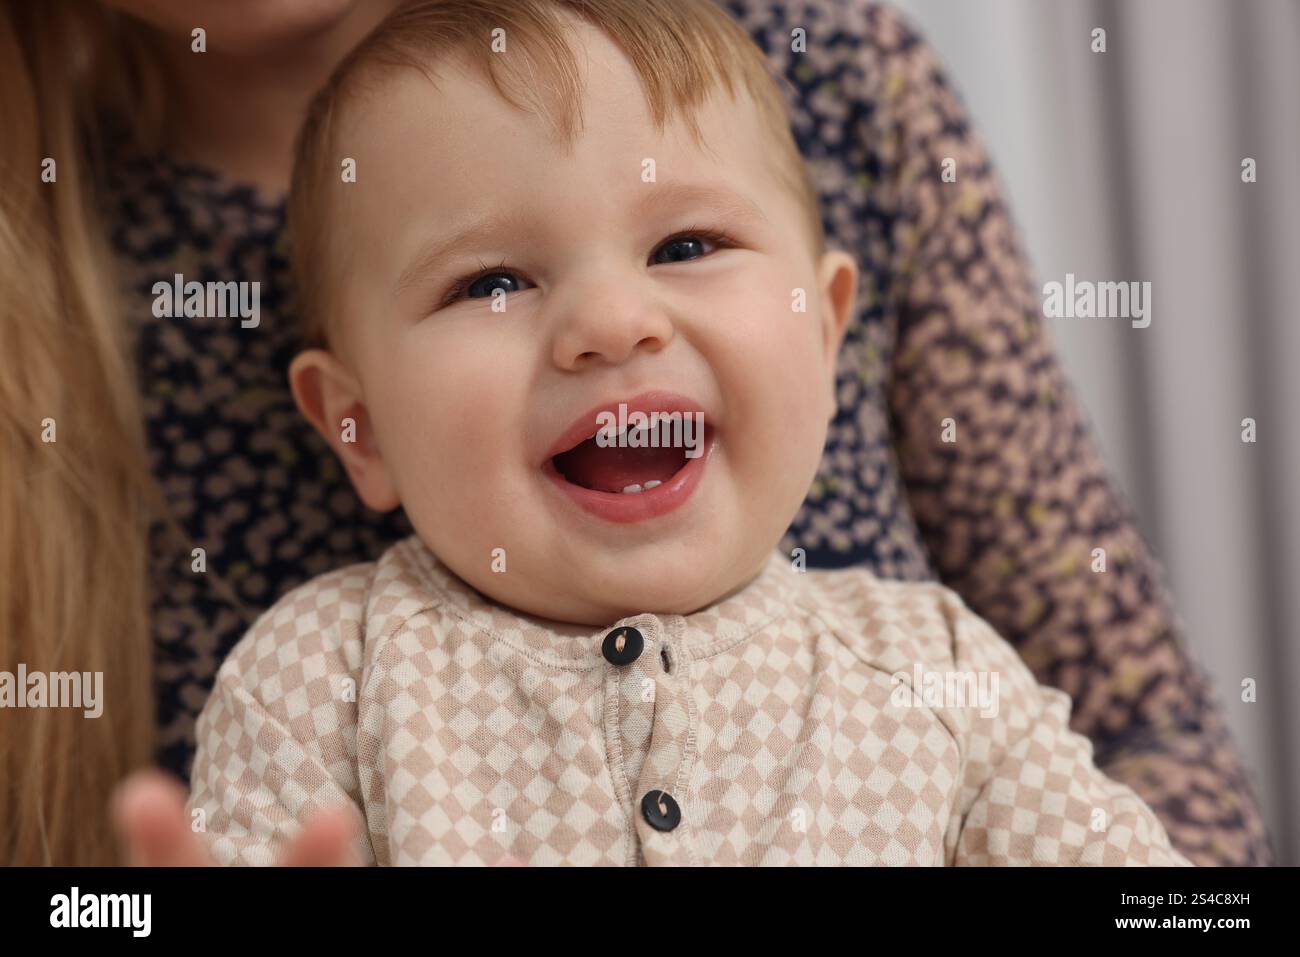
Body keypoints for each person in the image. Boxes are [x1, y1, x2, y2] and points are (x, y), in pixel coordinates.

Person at [0, 0, 1269, 866]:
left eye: (688, 246)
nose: (608, 322)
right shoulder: (309, 689)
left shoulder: (940, 673)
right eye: (490, 282)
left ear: (828, 330)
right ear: (357, 426)